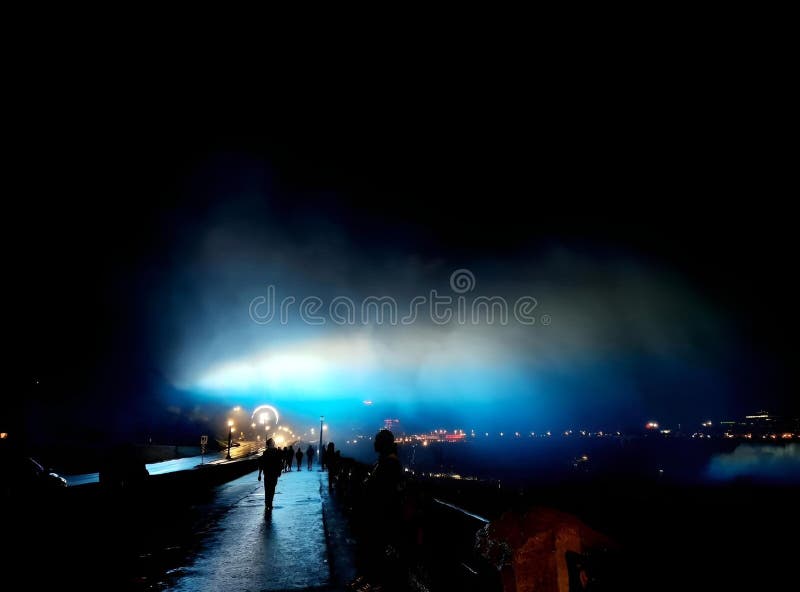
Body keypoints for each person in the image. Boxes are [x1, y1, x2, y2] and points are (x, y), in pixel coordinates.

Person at [257, 438, 283, 510]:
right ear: (272, 444)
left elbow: (261, 464)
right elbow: (280, 463)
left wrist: (259, 474)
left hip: (267, 474)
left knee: (267, 488)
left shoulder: (265, 453)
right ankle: (270, 502)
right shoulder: (277, 452)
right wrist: (279, 471)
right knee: (272, 489)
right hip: (274, 474)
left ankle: (267, 502)